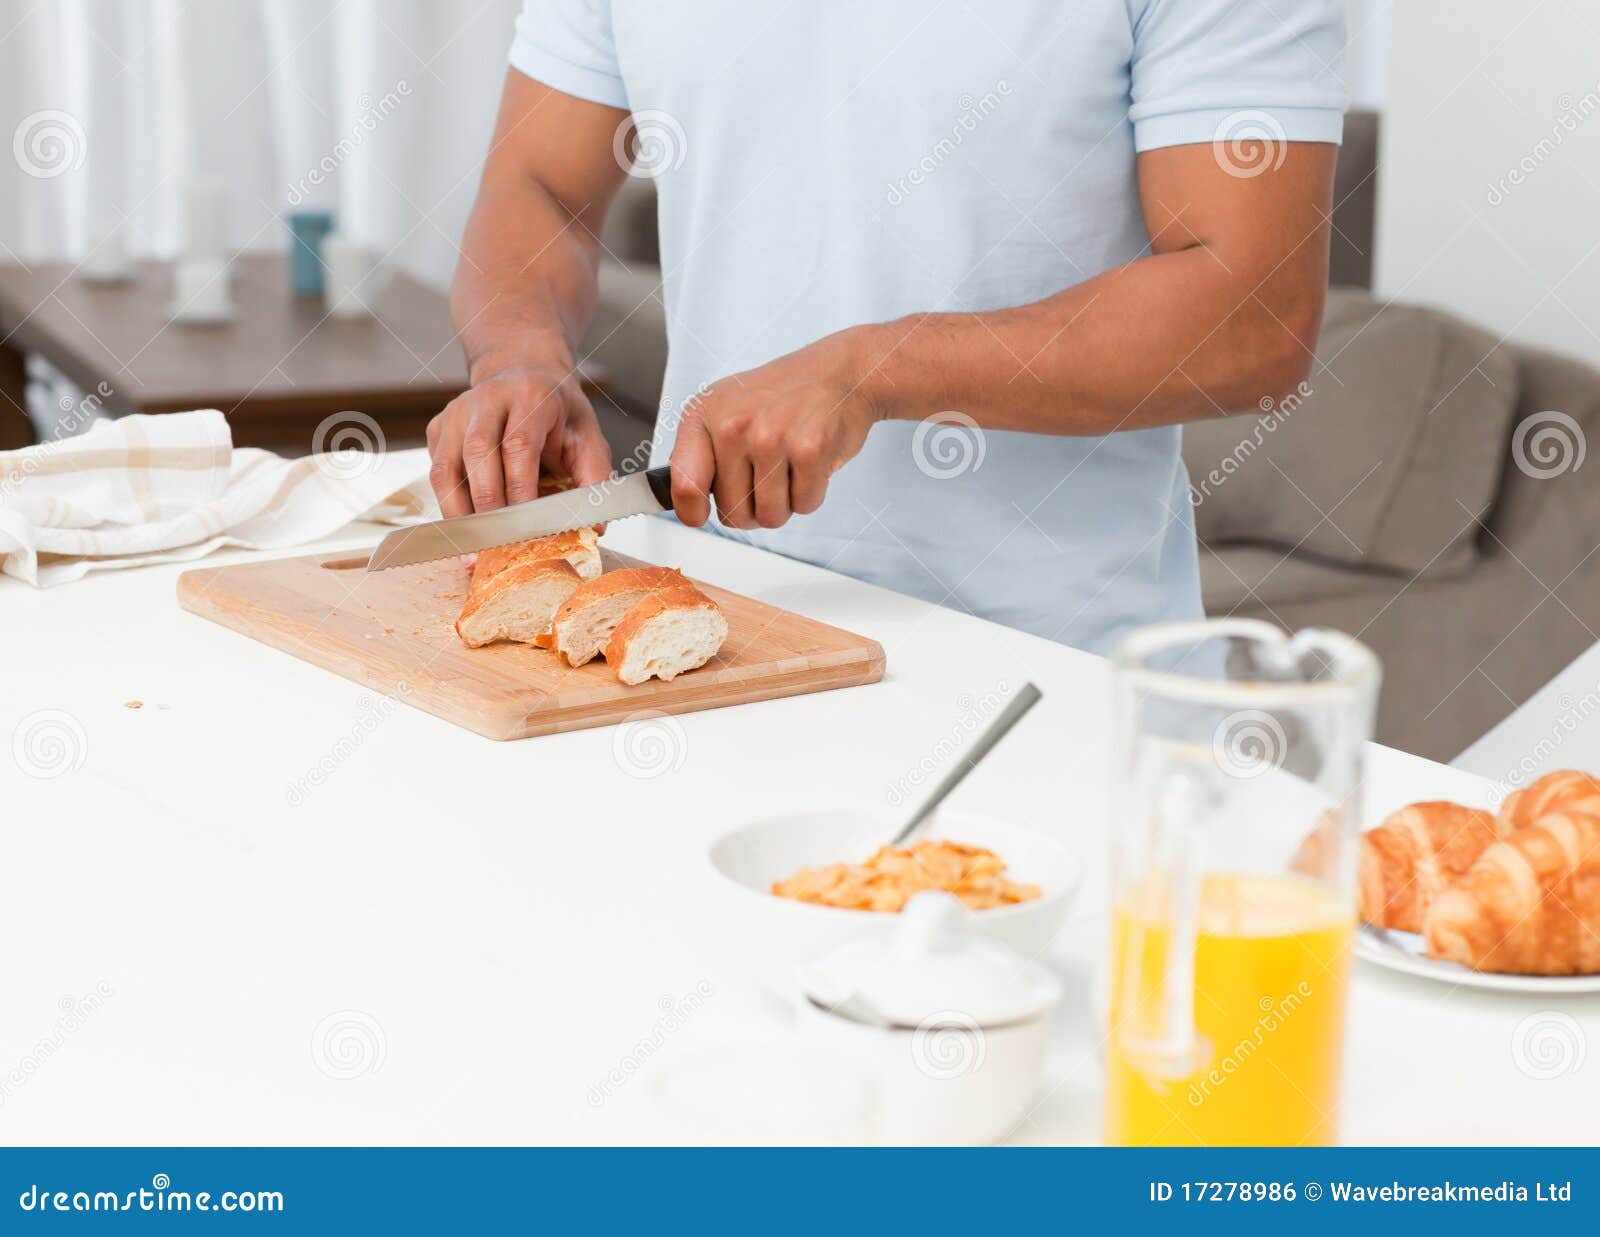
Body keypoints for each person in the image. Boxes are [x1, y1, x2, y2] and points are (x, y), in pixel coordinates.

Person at [427, 1, 1346, 653]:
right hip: (708, 632)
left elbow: (1256, 316)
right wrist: (519, 356)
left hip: (1047, 678)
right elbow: (538, 184)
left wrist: (876, 369)